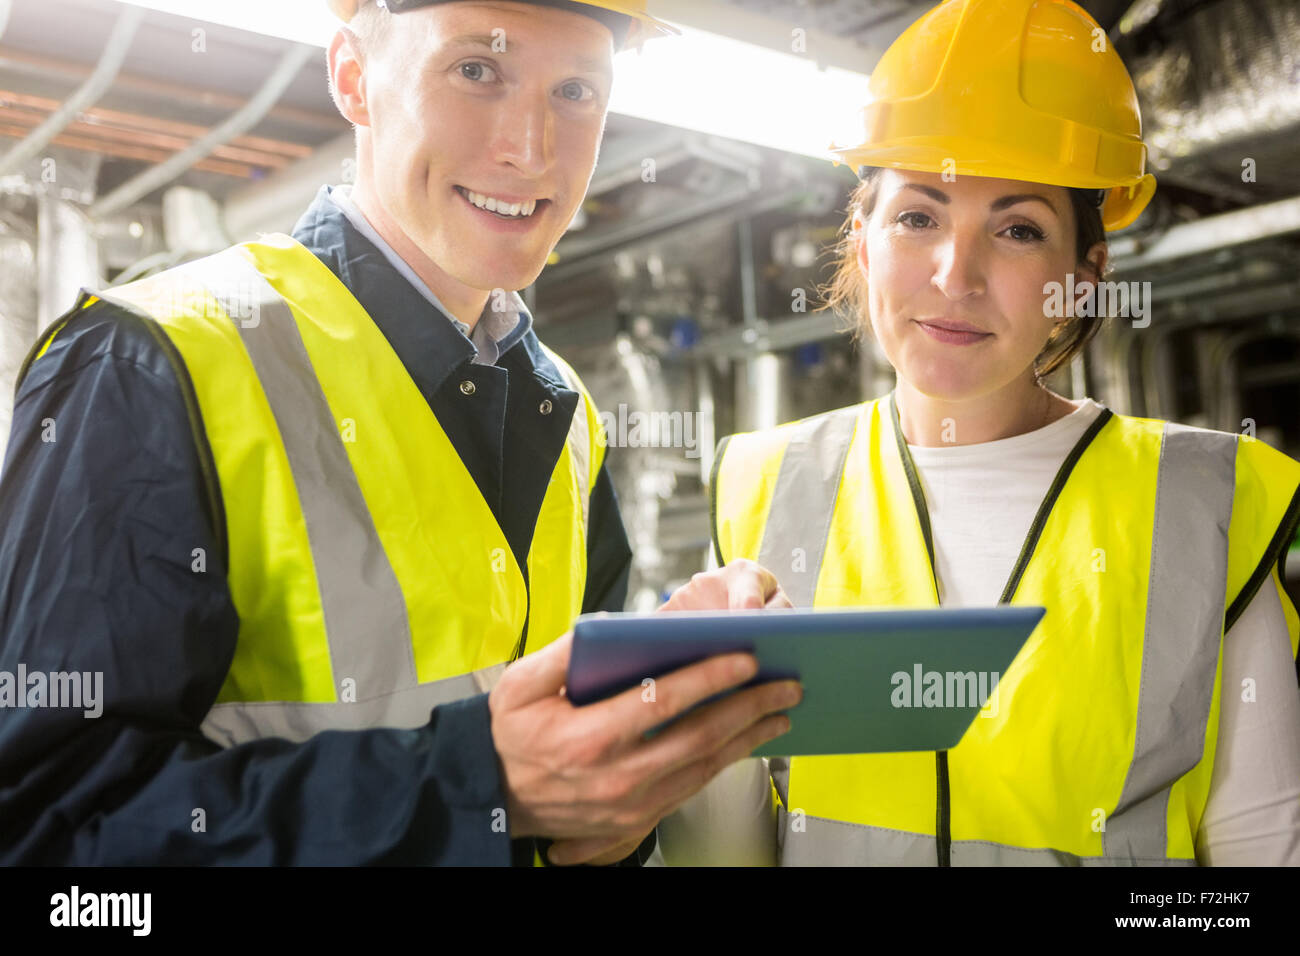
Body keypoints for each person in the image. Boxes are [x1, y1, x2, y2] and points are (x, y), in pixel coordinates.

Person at [0, 0, 800, 867]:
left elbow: (563, 803)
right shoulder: (150, 362)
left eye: (575, 89)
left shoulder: (565, 417)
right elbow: (47, 832)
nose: (531, 149)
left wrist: (648, 731)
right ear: (354, 78)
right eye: (477, 71)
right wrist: (473, 786)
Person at [661, 0, 1300, 866]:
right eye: (918, 216)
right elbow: (722, 856)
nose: (955, 276)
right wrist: (689, 719)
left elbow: (1263, 859)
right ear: (864, 234)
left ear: (1083, 274)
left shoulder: (1204, 505)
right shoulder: (765, 484)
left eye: (1017, 229)